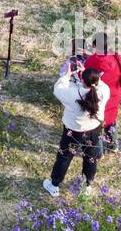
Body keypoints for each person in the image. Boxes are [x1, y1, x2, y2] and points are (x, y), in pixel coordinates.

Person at [43, 62, 109, 196]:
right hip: (94, 129)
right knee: (91, 157)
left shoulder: (72, 94)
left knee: (65, 157)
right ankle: (87, 186)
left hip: (73, 131)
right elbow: (98, 84)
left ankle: (54, 185)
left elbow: (58, 89)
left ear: (82, 80)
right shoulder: (103, 92)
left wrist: (66, 75)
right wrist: (89, 75)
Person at [84, 31, 121, 152]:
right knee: (111, 121)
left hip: (99, 97)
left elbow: (86, 74)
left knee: (96, 125)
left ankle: (98, 151)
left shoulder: (93, 60)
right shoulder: (115, 56)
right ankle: (112, 145)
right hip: (114, 94)